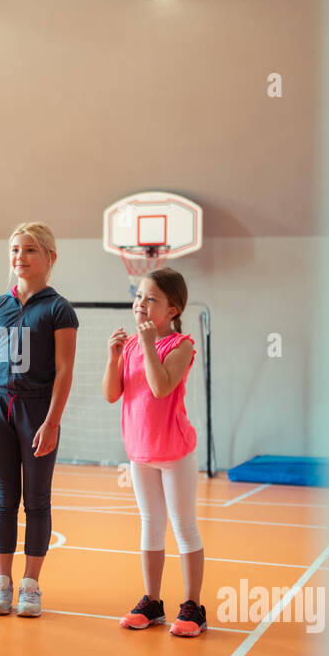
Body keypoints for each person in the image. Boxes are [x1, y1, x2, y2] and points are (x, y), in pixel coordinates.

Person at [0, 223, 77, 617]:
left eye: (30, 250)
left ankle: (31, 586)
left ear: (50, 257)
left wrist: (51, 422)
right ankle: (2, 584)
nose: (20, 256)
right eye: (15, 249)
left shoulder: (58, 309)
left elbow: (64, 371)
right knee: (3, 500)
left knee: (36, 500)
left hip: (37, 412)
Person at [101, 268, 208, 636]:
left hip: (175, 453)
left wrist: (147, 345)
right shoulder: (130, 345)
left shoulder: (182, 346)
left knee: (184, 526)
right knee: (151, 524)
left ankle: (193, 607)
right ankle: (152, 601)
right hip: (140, 452)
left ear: (172, 310)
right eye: (139, 297)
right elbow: (112, 393)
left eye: (152, 299)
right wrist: (113, 355)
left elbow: (161, 387)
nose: (141, 304)